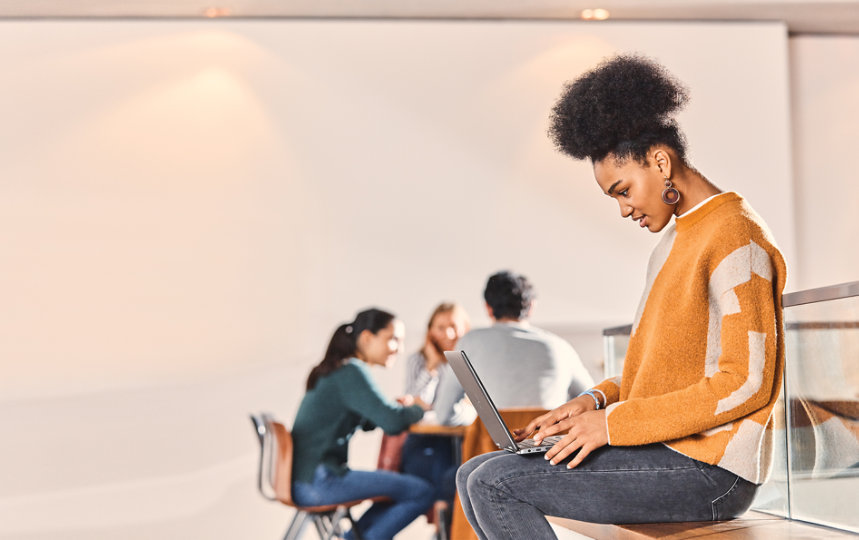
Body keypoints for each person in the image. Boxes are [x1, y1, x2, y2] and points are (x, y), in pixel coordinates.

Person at [455, 54, 787, 538]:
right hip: (668, 450)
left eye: (622, 190)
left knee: (496, 482)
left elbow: (747, 381)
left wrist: (611, 425)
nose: (623, 208)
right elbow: (662, 371)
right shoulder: (673, 243)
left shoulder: (736, 235)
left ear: (659, 160)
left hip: (713, 471)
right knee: (473, 473)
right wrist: (593, 401)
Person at [291, 308, 435, 540]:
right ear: (367, 337)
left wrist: (393, 410)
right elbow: (391, 422)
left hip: (307, 480)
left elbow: (373, 419)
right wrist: (419, 409)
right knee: (421, 491)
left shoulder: (340, 369)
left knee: (405, 490)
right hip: (320, 481)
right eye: (393, 339)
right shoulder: (352, 371)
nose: (399, 348)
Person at [433, 270, 594, 426]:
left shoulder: (468, 342)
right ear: (531, 306)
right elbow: (594, 401)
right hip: (549, 450)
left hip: (489, 451)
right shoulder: (561, 347)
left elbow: (444, 414)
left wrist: (476, 417)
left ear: (488, 308)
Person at [398, 303, 471, 528]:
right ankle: (443, 524)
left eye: (453, 326)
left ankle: (444, 526)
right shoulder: (418, 360)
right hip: (424, 443)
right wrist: (432, 364)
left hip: (457, 441)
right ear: (430, 331)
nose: (448, 333)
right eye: (440, 327)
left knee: (458, 474)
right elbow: (415, 402)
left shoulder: (468, 360)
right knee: (443, 473)